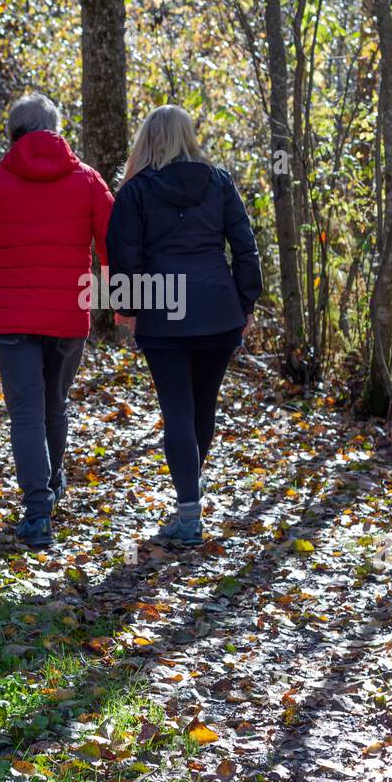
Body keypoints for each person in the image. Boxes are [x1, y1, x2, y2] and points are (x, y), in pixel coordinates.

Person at [0, 93, 114, 548]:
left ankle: (38, 512)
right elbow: (114, 246)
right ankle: (53, 481)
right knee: (54, 404)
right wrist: (121, 302)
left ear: (12, 134)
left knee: (26, 412)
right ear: (57, 130)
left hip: (10, 320)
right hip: (67, 316)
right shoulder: (87, 182)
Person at [106, 105, 262, 546]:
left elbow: (124, 256)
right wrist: (246, 300)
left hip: (163, 311)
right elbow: (244, 248)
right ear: (188, 137)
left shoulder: (135, 192)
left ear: (148, 140)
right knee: (202, 405)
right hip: (217, 310)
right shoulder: (220, 182)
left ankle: (189, 510)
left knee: (177, 408)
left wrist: (128, 308)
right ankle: (190, 497)